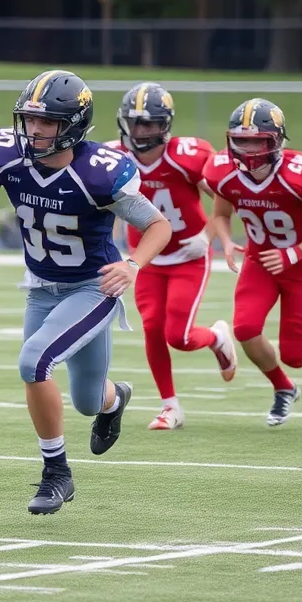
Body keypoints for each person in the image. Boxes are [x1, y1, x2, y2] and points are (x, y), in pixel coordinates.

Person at [0, 70, 172, 514]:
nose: (34, 130)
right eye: (30, 119)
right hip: (40, 287)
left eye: (47, 122)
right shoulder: (6, 154)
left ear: (73, 125)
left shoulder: (99, 174)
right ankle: (117, 400)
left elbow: (158, 225)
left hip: (92, 288)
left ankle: (56, 473)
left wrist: (133, 264)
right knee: (87, 400)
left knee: (33, 361)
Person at [203, 99, 302, 426]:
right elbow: (220, 213)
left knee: (295, 355)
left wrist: (294, 252)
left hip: (300, 265)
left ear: (275, 140)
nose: (247, 150)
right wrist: (227, 239)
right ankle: (283, 387)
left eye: (256, 141)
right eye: (240, 141)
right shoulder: (223, 171)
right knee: (245, 328)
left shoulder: (299, 173)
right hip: (259, 260)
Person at [107, 82, 236, 431]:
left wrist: (206, 235)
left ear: (165, 125)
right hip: (145, 258)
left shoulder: (187, 156)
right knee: (151, 328)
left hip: (187, 255)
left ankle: (216, 337)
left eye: (150, 123)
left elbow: (226, 198)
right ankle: (170, 406)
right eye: (135, 122)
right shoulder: (114, 158)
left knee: (178, 336)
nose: (141, 130)